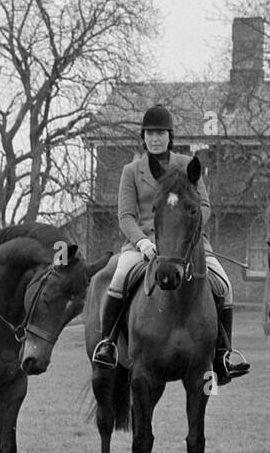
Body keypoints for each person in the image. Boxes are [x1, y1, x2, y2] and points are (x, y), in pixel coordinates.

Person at [91, 105, 248, 382]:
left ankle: (224, 353)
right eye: (150, 133)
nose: (155, 138)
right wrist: (141, 242)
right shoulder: (131, 171)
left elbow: (205, 206)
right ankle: (108, 344)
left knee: (225, 284)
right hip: (143, 246)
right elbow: (126, 216)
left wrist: (190, 232)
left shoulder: (188, 165)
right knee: (118, 279)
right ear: (143, 137)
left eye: (160, 133)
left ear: (170, 136)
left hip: (188, 244)